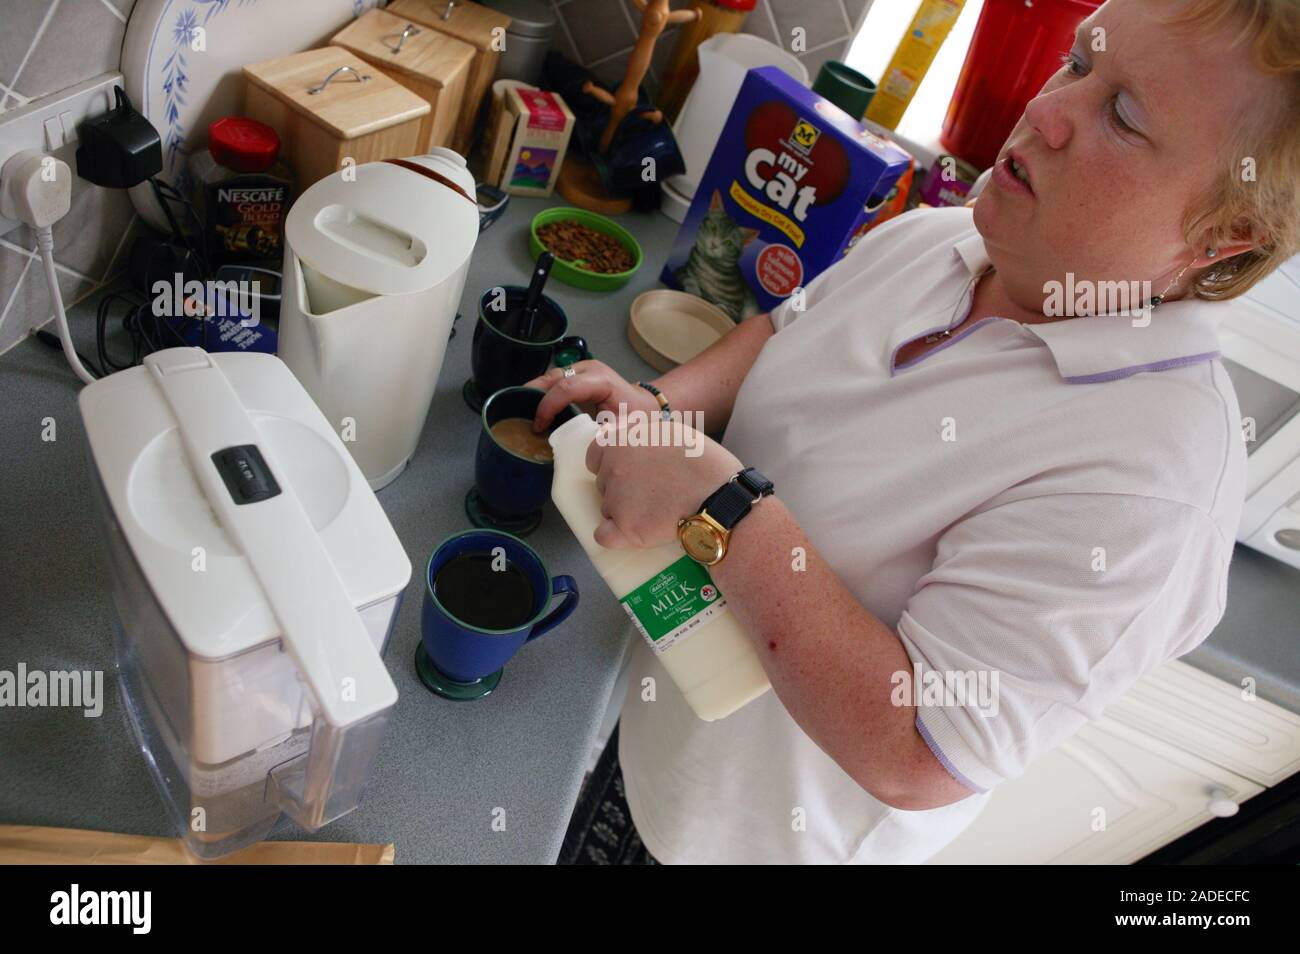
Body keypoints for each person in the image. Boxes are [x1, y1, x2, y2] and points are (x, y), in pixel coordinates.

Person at [537, 0, 1300, 864]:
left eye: (1124, 116)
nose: (1047, 111)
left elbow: (917, 749)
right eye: (1080, 63)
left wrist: (718, 503)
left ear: (1223, 235)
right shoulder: (941, 238)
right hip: (652, 721)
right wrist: (652, 413)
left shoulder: (1150, 486)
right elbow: (783, 335)